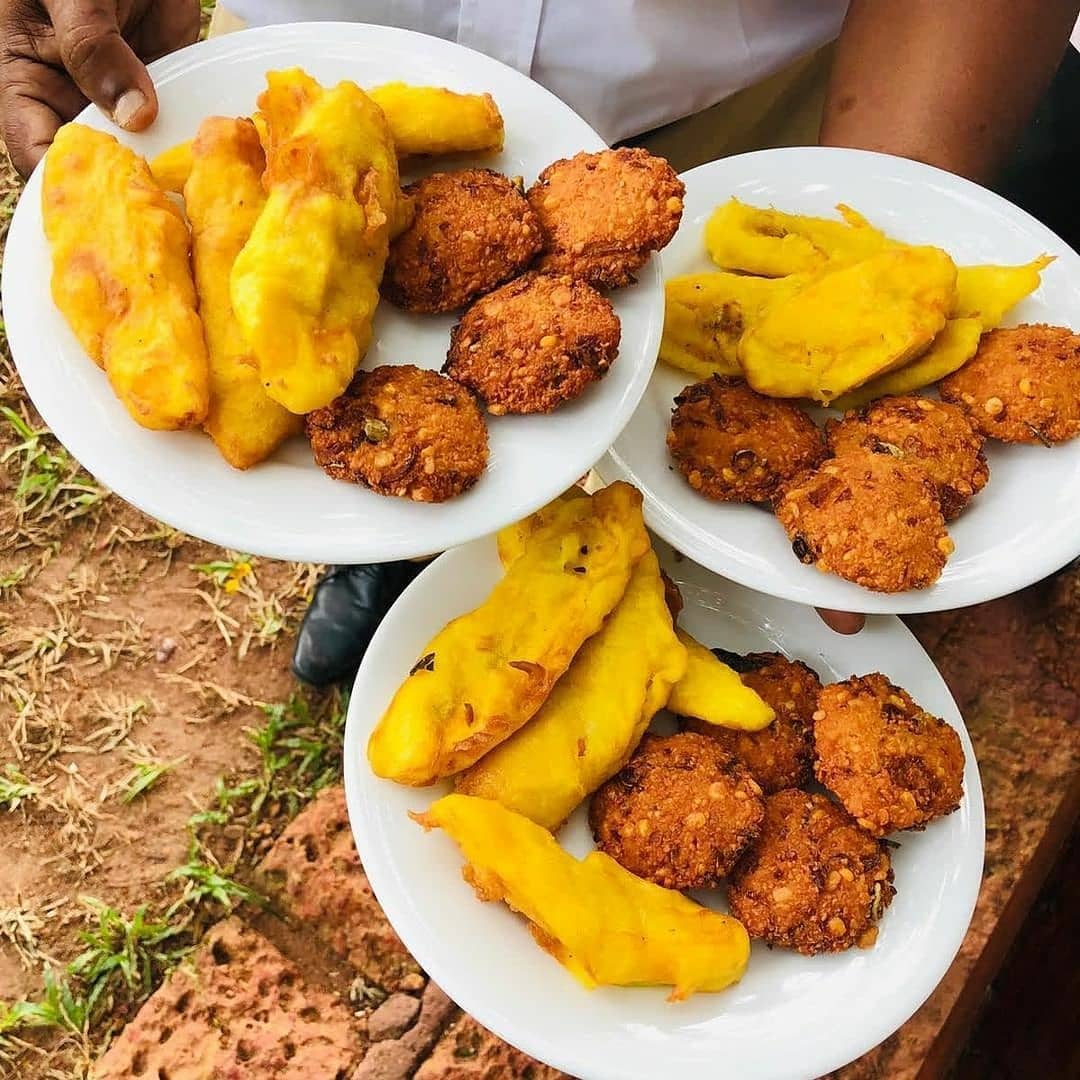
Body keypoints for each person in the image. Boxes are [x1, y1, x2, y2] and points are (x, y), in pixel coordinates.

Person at [2, 0, 1077, 686]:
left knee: (648, 468)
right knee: (357, 417)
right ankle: (383, 559)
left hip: (745, 129)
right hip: (299, 70)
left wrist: (866, 284)